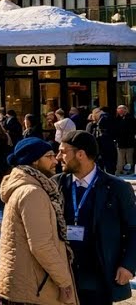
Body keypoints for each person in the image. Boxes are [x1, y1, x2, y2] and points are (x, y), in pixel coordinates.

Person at [55, 130, 136, 305]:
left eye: (63, 152)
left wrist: (129, 265)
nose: (58, 157)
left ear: (81, 154)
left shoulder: (117, 188)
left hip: (99, 279)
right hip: (62, 278)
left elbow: (134, 229)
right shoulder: (56, 185)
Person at [0, 136, 77, 305]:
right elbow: (41, 245)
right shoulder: (33, 193)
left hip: (25, 285)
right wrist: (64, 281)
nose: (55, 160)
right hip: (33, 289)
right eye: (48, 156)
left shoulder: (27, 187)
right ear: (34, 161)